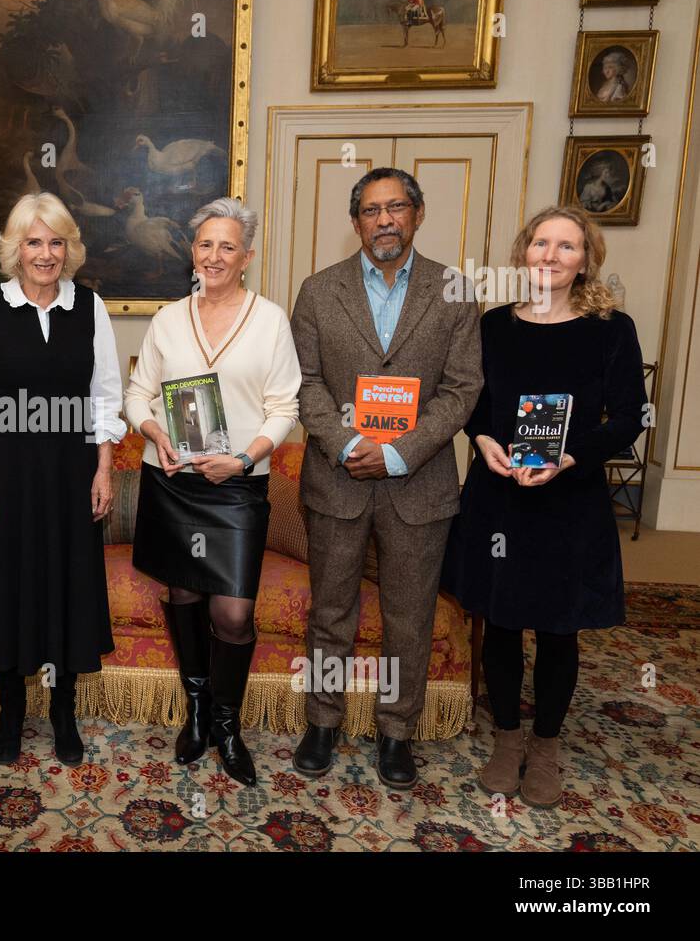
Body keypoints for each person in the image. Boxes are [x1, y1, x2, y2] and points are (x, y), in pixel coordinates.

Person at [441, 206, 646, 808]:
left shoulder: (611, 328)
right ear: (523, 251)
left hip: (569, 499)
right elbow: (472, 404)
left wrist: (568, 459)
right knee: (501, 621)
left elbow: (628, 419)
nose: (551, 255)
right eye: (541, 243)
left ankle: (547, 747)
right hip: (499, 493)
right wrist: (482, 441)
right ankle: (508, 739)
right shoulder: (493, 326)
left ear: (587, 259)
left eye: (567, 246)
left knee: (559, 627)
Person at [289, 167, 482, 789]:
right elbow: (307, 383)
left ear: (418, 214)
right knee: (331, 612)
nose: (385, 220)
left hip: (417, 485)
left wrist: (399, 451)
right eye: (372, 210)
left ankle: (398, 733)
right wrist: (348, 442)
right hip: (336, 481)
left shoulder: (454, 291)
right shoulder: (319, 291)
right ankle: (322, 722)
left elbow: (462, 389)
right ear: (356, 222)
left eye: (397, 207)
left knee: (410, 616)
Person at [0, 192, 126, 766]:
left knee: (67, 588)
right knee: (8, 588)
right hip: (5, 475)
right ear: (15, 249)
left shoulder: (90, 307)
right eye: (33, 242)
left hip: (72, 476)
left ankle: (63, 713)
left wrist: (104, 469)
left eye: (55, 242)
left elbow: (104, 399)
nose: (45, 254)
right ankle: (12, 715)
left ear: (68, 248)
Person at [124, 197, 300, 787]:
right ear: (192, 252)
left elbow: (284, 408)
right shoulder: (168, 319)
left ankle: (228, 722)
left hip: (237, 484)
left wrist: (246, 458)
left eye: (228, 246)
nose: (215, 255)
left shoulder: (271, 320)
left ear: (247, 257)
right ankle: (197, 711)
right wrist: (153, 432)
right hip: (173, 478)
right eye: (205, 244)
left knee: (232, 609)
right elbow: (136, 395)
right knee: (184, 594)